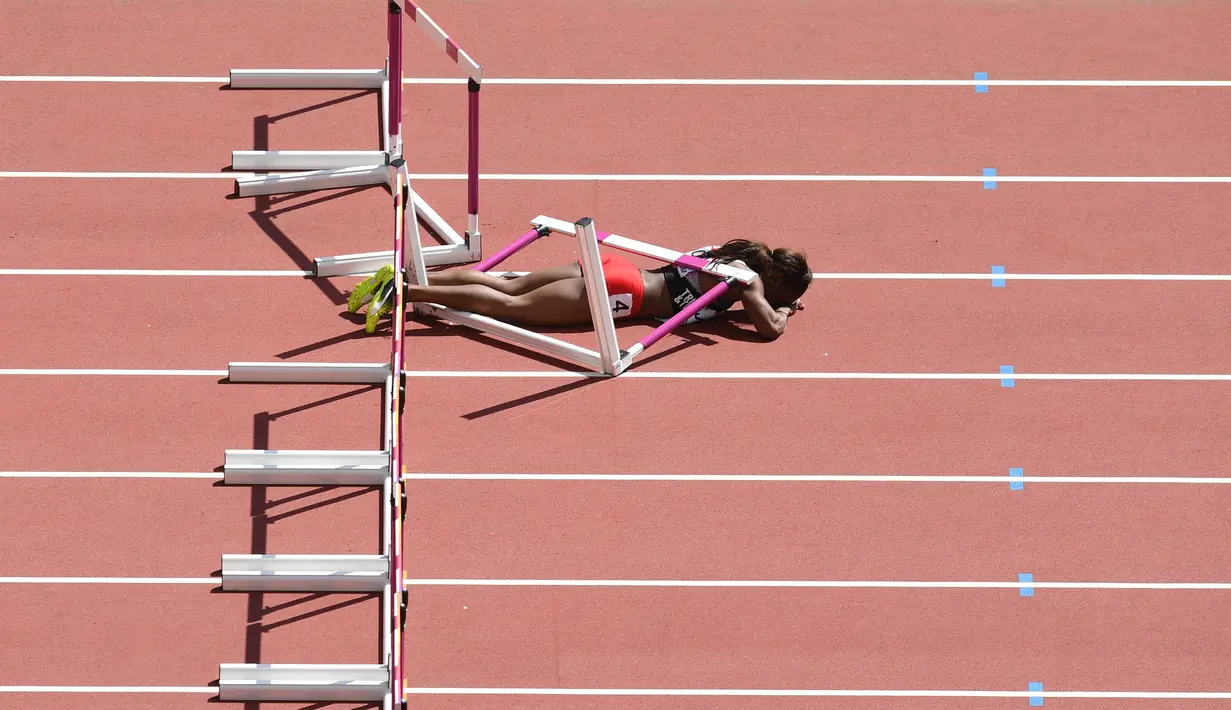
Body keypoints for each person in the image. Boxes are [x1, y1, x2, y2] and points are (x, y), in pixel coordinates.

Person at [349, 239, 812, 340]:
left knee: (508, 282)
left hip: (619, 268)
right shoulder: (748, 278)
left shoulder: (729, 253)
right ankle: (407, 293)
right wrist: (784, 312)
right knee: (511, 306)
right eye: (784, 293)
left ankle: (405, 280)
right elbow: (768, 329)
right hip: (627, 294)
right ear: (773, 280)